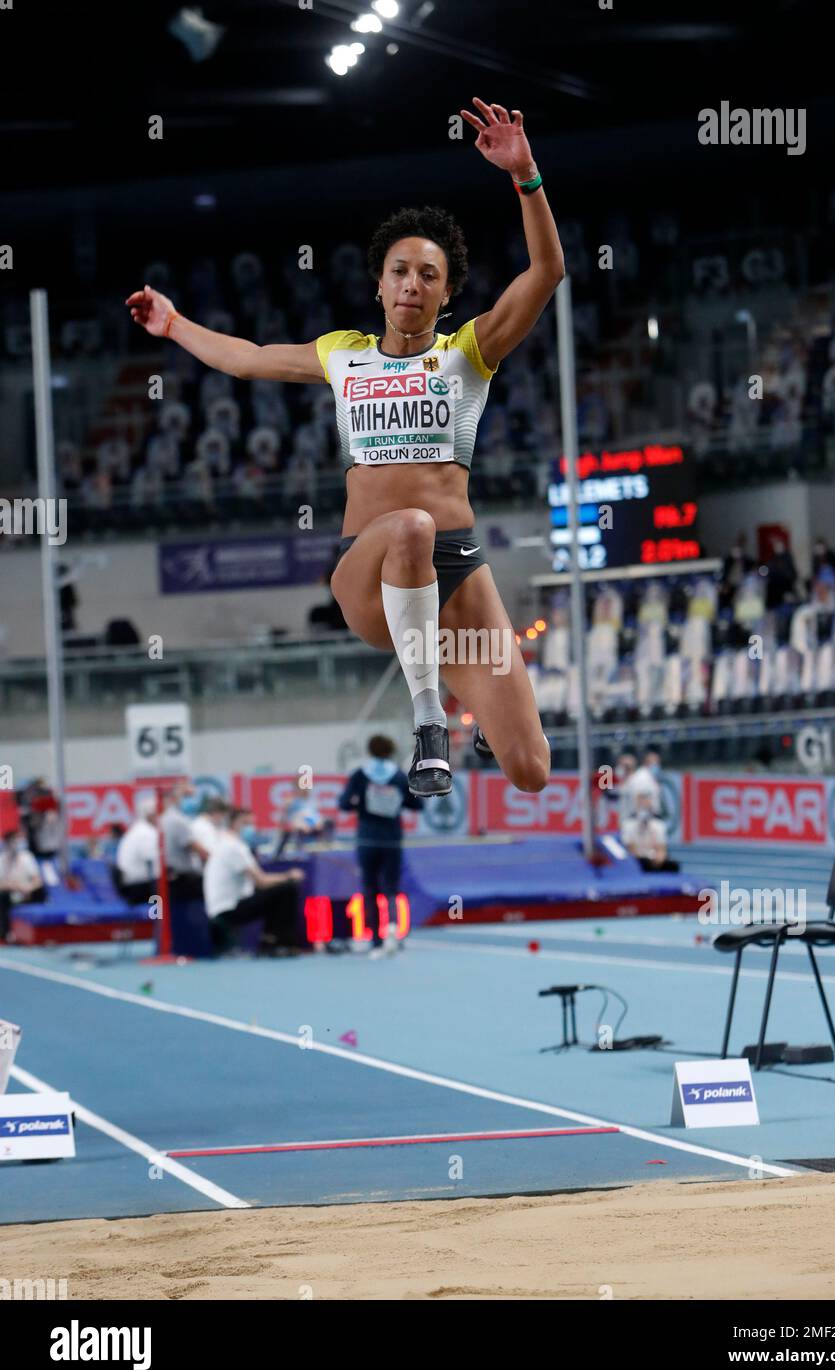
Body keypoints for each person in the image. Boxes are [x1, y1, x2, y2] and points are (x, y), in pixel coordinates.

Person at [127, 98, 561, 800]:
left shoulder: (469, 354)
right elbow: (246, 358)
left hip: (457, 571)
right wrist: (175, 324)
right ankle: (429, 723)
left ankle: (472, 707)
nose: (411, 283)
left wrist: (526, 175)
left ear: (446, 292)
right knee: (411, 526)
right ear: (380, 283)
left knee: (531, 771)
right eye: (399, 270)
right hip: (371, 566)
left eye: (427, 274)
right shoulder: (343, 355)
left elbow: (544, 274)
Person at [339, 734, 422, 955]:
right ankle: (393, 934)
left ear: (370, 750)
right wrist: (397, 800)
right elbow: (418, 805)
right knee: (391, 889)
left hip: (367, 839)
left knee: (369, 889)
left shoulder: (360, 775)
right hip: (391, 840)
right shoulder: (398, 776)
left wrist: (360, 803)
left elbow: (344, 804)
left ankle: (375, 939)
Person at [203, 806, 304, 957]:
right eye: (246, 824)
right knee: (288, 888)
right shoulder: (233, 847)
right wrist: (289, 875)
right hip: (227, 910)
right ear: (235, 823)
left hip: (228, 904)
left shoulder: (226, 843)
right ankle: (280, 943)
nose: (250, 829)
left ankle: (270, 940)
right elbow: (261, 881)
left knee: (278, 890)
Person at [161, 783, 210, 901]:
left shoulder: (166, 818)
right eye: (186, 796)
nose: (191, 801)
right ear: (174, 798)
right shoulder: (177, 820)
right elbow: (201, 851)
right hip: (181, 879)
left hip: (174, 877)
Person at [0, 828, 46, 942]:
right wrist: (13, 886)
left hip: (28, 893)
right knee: (3, 898)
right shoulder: (2, 859)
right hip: (11, 894)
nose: (17, 843)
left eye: (18, 840)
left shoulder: (27, 857)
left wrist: (27, 888)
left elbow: (38, 880)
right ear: (7, 843)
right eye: (14, 841)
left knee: (41, 891)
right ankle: (6, 934)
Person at [114, 794, 160, 906]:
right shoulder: (146, 832)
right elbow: (157, 864)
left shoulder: (138, 830)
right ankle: (169, 921)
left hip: (132, 885)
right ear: (150, 815)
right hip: (136, 888)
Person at [621, 792, 680, 873]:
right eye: (641, 805)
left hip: (654, 859)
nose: (644, 809)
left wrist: (658, 860)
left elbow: (661, 849)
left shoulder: (659, 825)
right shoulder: (628, 825)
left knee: (673, 865)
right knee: (643, 863)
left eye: (646, 806)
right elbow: (631, 850)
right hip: (638, 860)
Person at [189, 795, 228, 864]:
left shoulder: (197, 823)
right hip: (204, 868)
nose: (222, 820)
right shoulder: (205, 828)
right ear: (217, 812)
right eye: (223, 816)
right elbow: (211, 853)